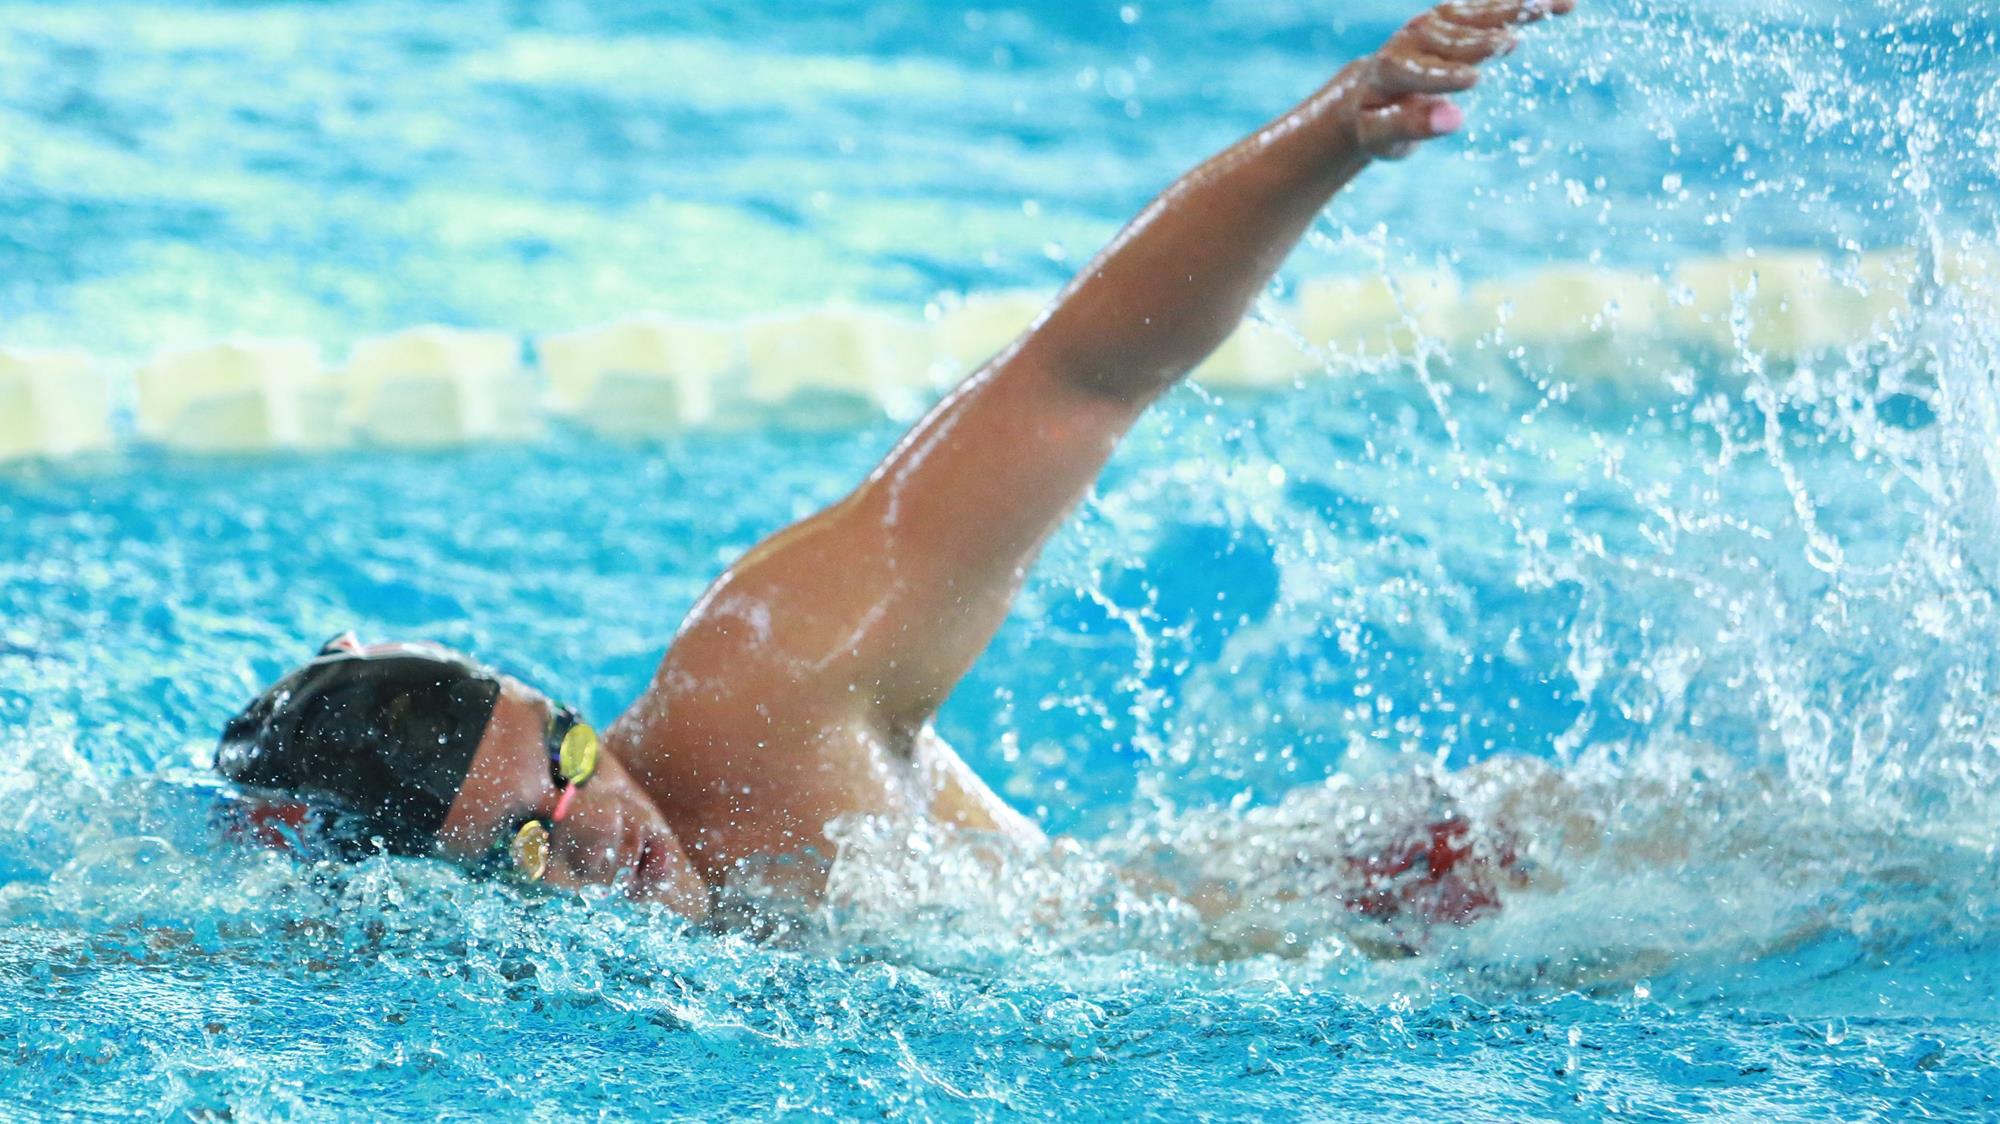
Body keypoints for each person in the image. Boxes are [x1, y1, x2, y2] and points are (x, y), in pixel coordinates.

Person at [215, 0, 1577, 929]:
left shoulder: (770, 683)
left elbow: (1078, 377)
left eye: (567, 751)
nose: (600, 826)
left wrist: (1340, 124)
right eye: (526, 846)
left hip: (1422, 900)